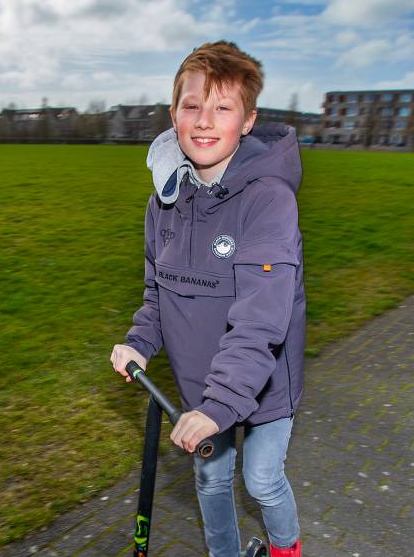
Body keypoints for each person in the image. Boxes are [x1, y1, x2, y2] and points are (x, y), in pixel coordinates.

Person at [110, 41, 305, 557]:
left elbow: (261, 322)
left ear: (247, 120)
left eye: (223, 107)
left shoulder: (268, 201)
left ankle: (287, 549)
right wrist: (138, 341)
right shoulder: (162, 204)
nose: (203, 120)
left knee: (261, 481)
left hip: (260, 381)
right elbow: (157, 294)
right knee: (212, 483)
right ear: (173, 113)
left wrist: (220, 408)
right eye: (192, 105)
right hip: (200, 382)